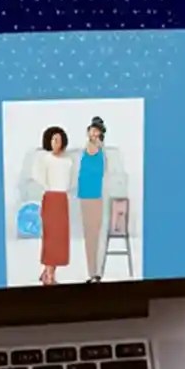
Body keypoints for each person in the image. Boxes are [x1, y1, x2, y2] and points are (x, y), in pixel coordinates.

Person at [31, 126, 73, 285]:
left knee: (60, 239)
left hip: (63, 199)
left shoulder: (68, 161)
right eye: (54, 140)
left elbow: (70, 180)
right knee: (51, 237)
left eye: (59, 140)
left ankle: (48, 272)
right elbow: (37, 175)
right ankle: (49, 274)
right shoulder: (45, 158)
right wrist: (48, 186)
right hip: (50, 198)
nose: (57, 143)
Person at [76, 117, 108, 282]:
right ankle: (93, 272)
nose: (93, 133)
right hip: (88, 196)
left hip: (93, 196)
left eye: (97, 131)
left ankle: (94, 272)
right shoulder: (92, 148)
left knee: (93, 234)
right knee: (91, 235)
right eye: (92, 130)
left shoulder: (96, 148)